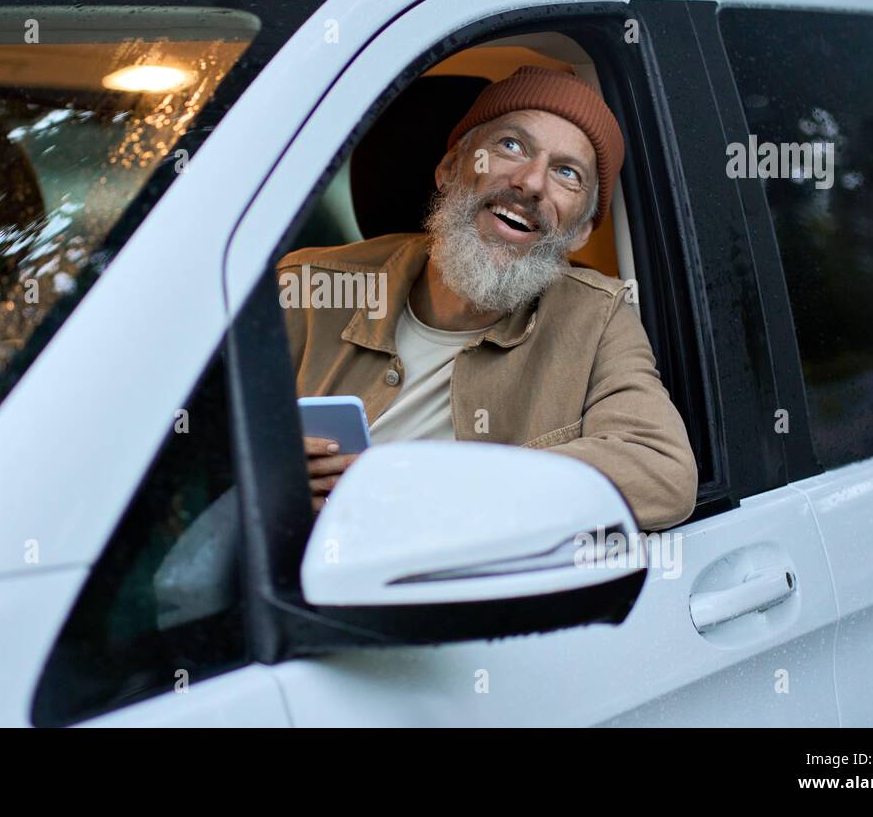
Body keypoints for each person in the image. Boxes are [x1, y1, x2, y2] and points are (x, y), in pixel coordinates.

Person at [279, 65, 697, 530]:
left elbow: (663, 476)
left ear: (579, 231)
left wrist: (433, 481)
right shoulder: (306, 285)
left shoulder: (597, 318)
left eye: (566, 172)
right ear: (451, 169)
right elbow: (195, 431)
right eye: (511, 146)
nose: (532, 182)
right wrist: (265, 465)